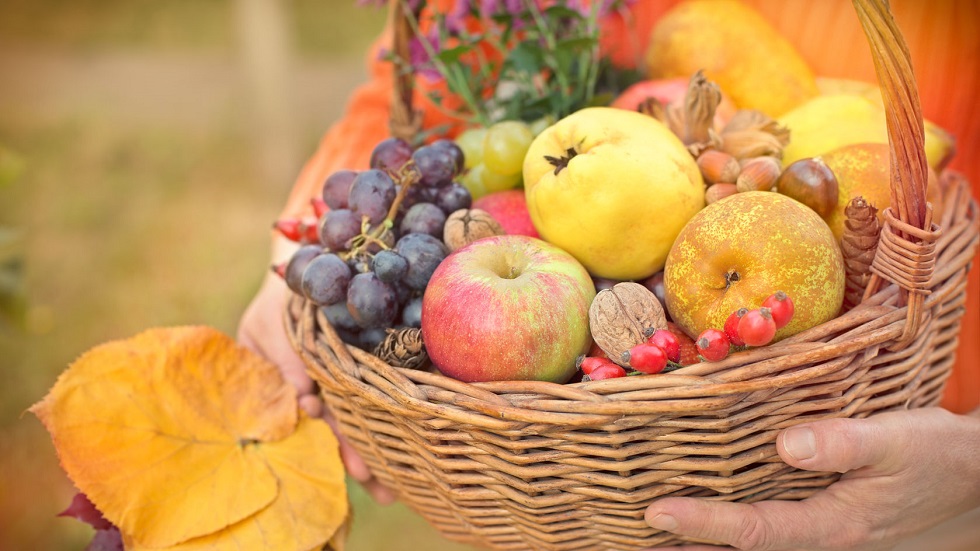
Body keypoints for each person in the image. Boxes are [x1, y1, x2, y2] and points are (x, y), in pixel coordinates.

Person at [237, 0, 980, 547]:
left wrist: (971, 459)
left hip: (916, 458)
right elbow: (412, 94)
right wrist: (311, 247)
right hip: (559, 486)